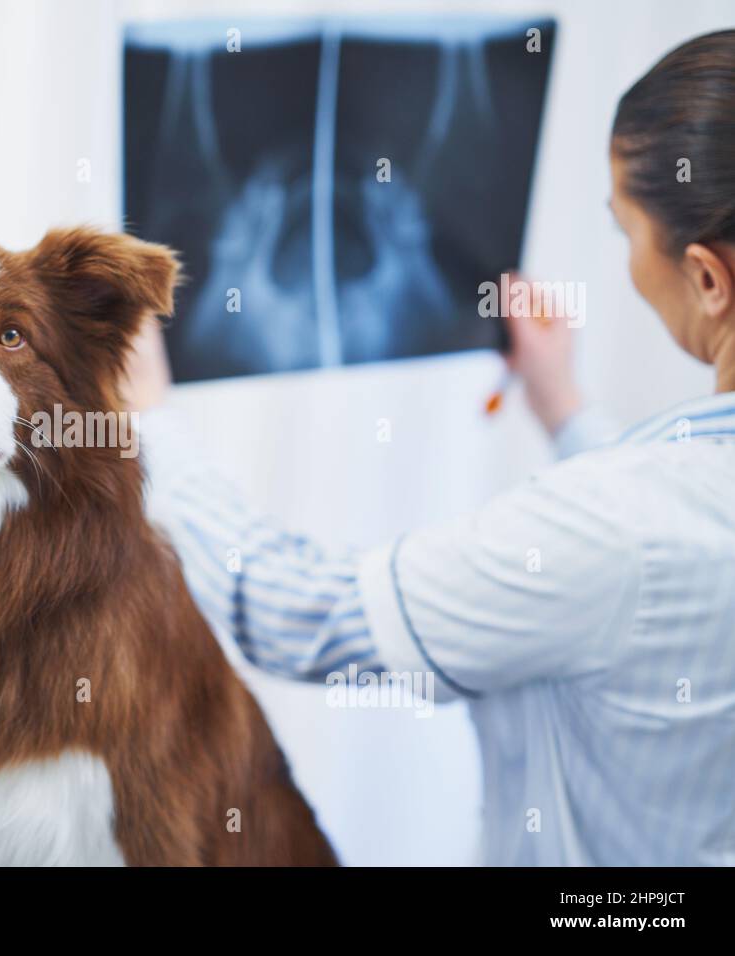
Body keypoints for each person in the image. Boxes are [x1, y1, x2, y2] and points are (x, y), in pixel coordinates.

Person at [125, 30, 735, 866]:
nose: (628, 261)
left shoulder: (613, 528)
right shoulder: (652, 517)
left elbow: (298, 617)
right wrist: (565, 410)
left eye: (622, 228)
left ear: (707, 278)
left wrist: (148, 419)